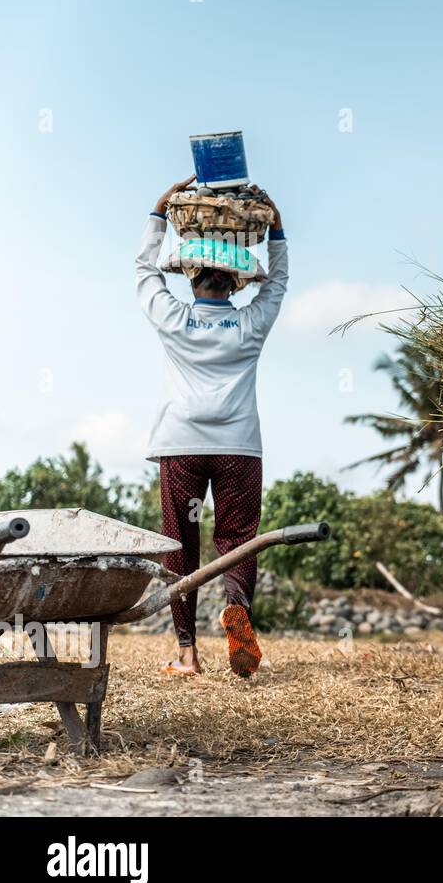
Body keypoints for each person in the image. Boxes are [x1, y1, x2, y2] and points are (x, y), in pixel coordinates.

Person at [137, 176, 288, 677]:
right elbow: (279, 283)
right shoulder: (249, 325)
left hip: (182, 442)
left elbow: (143, 271)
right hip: (239, 446)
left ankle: (187, 654)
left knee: (181, 540)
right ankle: (238, 610)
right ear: (234, 284)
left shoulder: (175, 320)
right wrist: (277, 230)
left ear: (192, 278)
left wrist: (159, 213)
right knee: (239, 537)